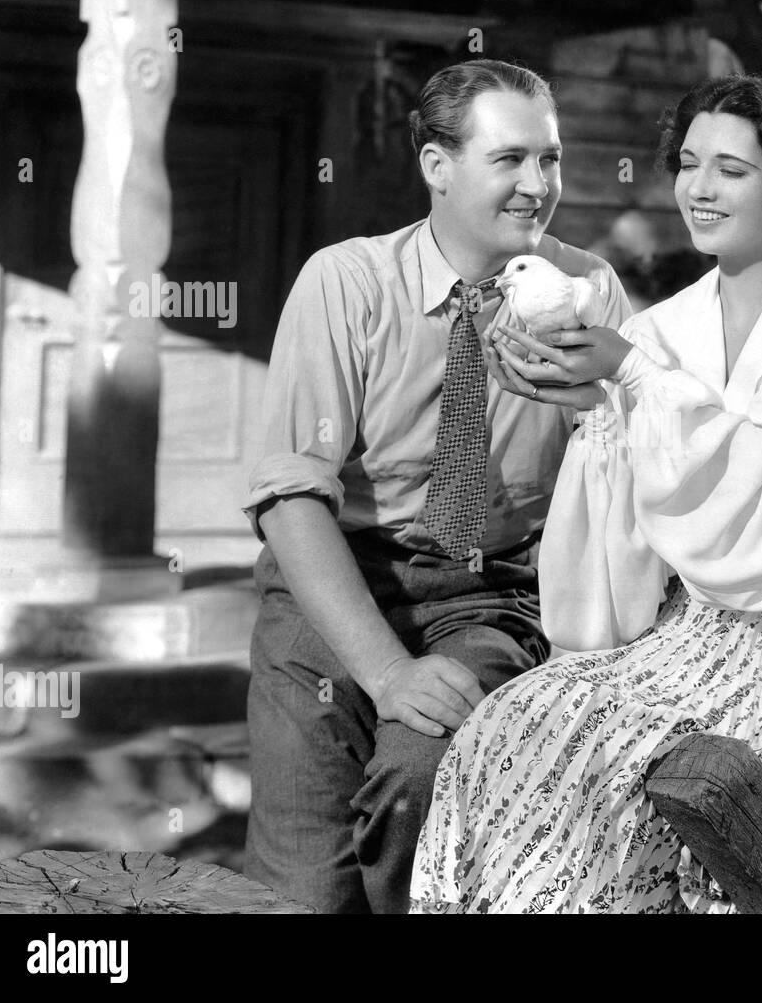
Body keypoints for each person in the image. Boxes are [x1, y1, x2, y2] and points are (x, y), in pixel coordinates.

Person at [405, 72, 762, 914]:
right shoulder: (657, 330)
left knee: (602, 758)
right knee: (518, 722)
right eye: (688, 163)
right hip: (675, 634)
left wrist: (631, 380)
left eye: (731, 168)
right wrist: (602, 423)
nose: (699, 188)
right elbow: (630, 546)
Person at [241, 58, 632, 913]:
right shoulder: (345, 282)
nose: (539, 185)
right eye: (511, 160)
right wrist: (383, 670)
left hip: (487, 596)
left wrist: (607, 405)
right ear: (436, 166)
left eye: (551, 159)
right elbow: (289, 499)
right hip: (333, 583)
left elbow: (635, 474)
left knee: (420, 781)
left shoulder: (589, 291)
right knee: (303, 893)